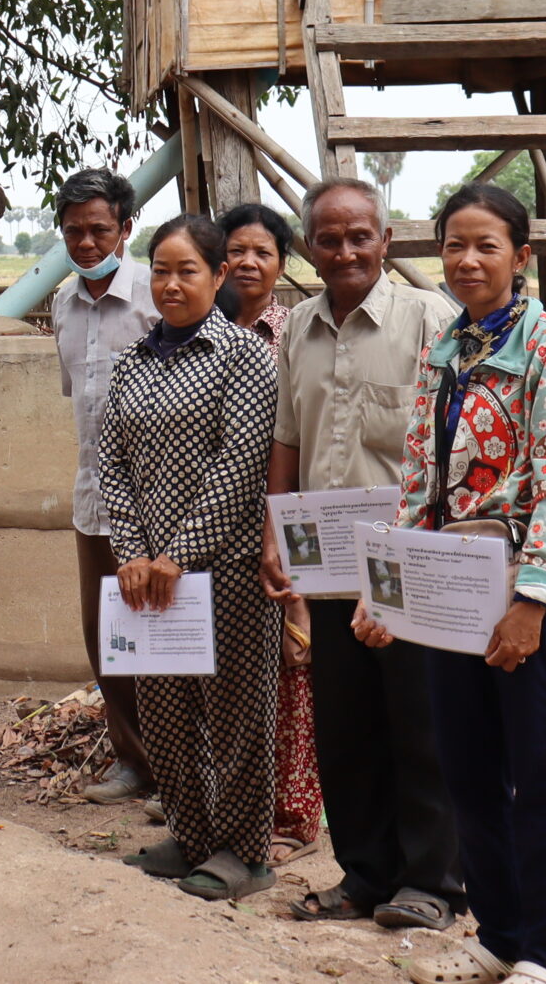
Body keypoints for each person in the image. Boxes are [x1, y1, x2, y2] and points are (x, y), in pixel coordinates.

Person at [355, 183, 546, 984]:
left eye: (486, 244)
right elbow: (417, 482)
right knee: (468, 771)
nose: (466, 260)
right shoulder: (444, 350)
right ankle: (499, 934)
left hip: (532, 596)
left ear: (521, 256)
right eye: (454, 244)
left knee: (541, 775)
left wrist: (533, 602)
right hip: (450, 590)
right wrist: (384, 588)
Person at [262, 179, 462, 932]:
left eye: (358, 237)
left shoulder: (428, 319)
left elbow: (454, 443)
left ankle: (432, 883)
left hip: (413, 557)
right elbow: (289, 434)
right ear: (309, 246)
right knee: (346, 727)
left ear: (385, 241)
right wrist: (274, 531)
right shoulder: (299, 327)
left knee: (420, 722)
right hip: (329, 562)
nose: (344, 251)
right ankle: (363, 876)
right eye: (327, 238)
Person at [100, 213, 281, 903]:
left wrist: (180, 552)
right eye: (162, 269)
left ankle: (244, 853)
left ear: (218, 275)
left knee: (236, 715)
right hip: (147, 576)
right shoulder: (132, 360)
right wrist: (135, 553)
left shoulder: (241, 355)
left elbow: (238, 464)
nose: (172, 284)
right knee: (167, 711)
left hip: (225, 569)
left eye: (188, 270)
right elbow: (111, 462)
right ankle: (192, 835)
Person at [213, 201, 319, 864]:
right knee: (225, 669)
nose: (249, 262)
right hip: (217, 527)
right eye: (238, 250)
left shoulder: (295, 332)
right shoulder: (205, 327)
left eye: (264, 251)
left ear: (283, 262)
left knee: (292, 665)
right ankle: (227, 801)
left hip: (286, 515)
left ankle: (294, 814)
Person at [49, 166, 157, 805]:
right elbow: (79, 403)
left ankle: (180, 770)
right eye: (73, 232)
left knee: (164, 634)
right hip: (94, 499)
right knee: (108, 634)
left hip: (155, 503)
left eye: (98, 230)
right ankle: (133, 762)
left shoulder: (153, 296)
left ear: (124, 229)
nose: (86, 244)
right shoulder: (63, 302)